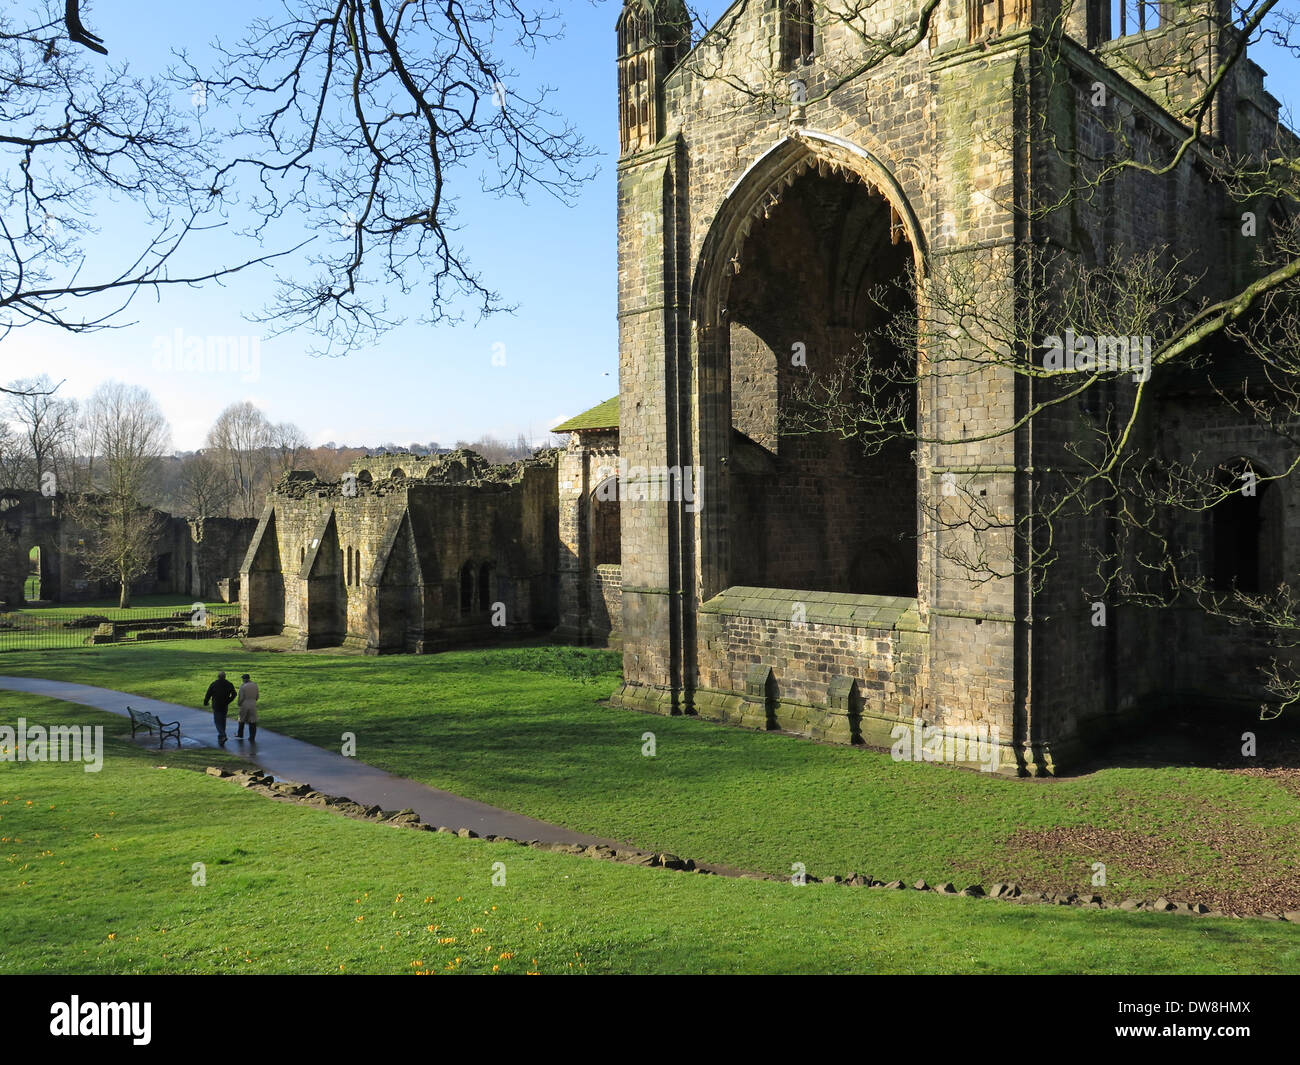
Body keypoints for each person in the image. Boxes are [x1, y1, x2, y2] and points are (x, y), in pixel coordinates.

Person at [203, 670, 237, 746]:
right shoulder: (229, 684)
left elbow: (208, 694)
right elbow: (234, 694)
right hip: (224, 705)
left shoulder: (214, 684)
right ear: (225, 677)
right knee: (223, 720)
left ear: (218, 676)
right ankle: (221, 737)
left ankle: (223, 735)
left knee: (217, 721)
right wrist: (229, 701)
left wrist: (205, 702)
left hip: (216, 705)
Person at [235, 673, 260, 742]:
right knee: (253, 721)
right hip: (253, 704)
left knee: (241, 719)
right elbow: (257, 696)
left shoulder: (243, 686)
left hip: (244, 704)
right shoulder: (255, 685)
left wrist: (239, 703)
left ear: (244, 679)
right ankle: (252, 737)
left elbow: (241, 697)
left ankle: (240, 734)